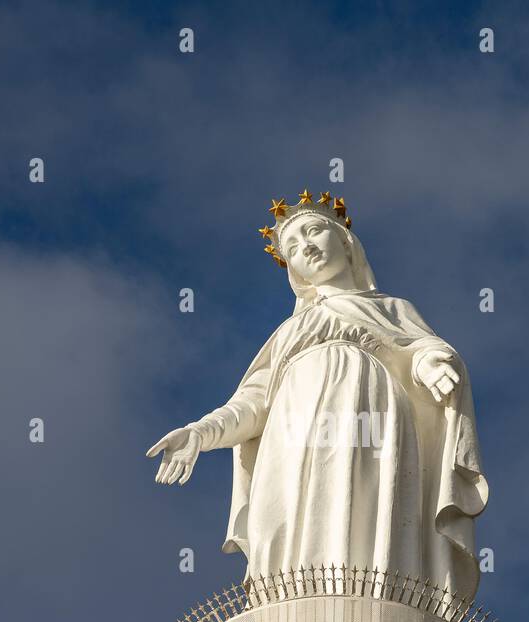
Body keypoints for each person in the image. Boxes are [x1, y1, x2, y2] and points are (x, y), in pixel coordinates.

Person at [147, 191, 489, 601]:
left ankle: (378, 601)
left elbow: (418, 348)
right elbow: (254, 403)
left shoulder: (392, 308)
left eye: (314, 231)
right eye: (292, 247)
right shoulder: (289, 333)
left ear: (345, 241)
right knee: (290, 512)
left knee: (366, 509)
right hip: (293, 427)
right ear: (293, 270)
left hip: (373, 417)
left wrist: (430, 364)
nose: (305, 246)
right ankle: (289, 609)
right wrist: (200, 432)